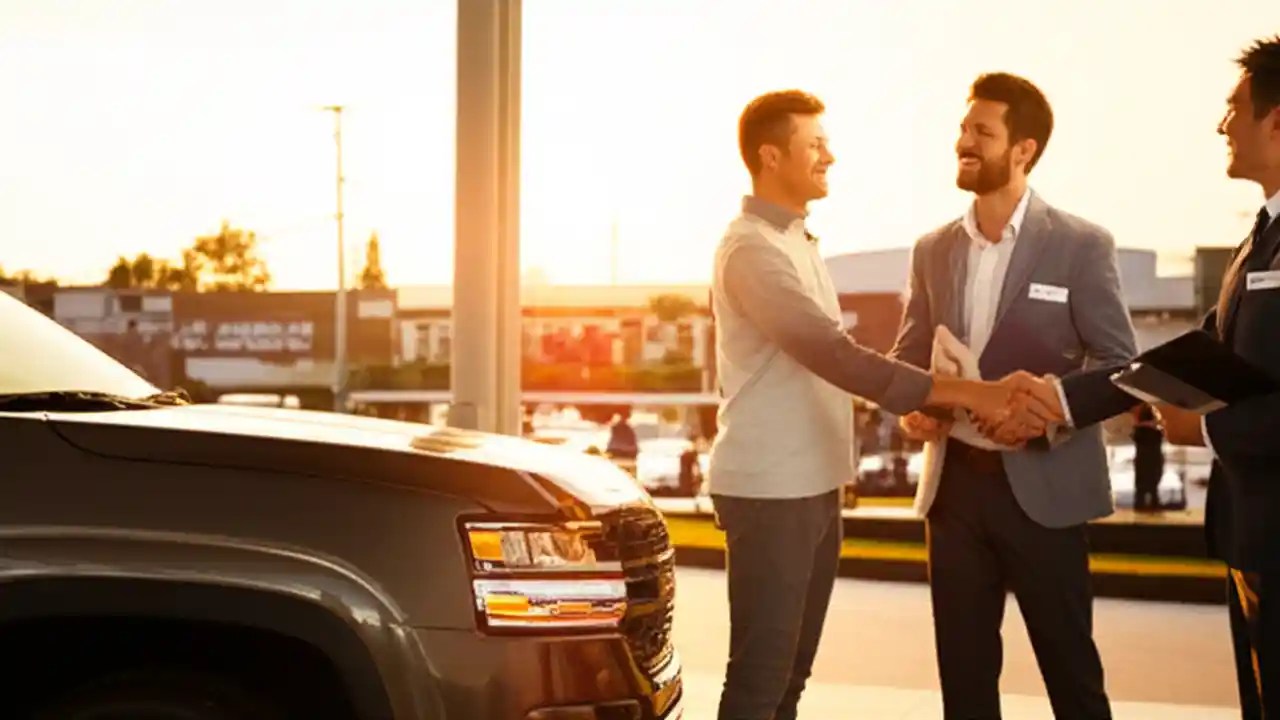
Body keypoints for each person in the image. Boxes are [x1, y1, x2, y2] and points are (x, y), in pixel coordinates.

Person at [707, 88, 1053, 720]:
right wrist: (969, 392)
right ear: (769, 155)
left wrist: (925, 400)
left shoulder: (797, 241)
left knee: (789, 680)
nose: (829, 157)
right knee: (759, 681)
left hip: (814, 483)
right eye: (814, 145)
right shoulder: (750, 250)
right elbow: (832, 354)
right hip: (769, 489)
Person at [891, 72, 1138, 719]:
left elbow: (1120, 365)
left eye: (982, 132)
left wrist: (1048, 408)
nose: (963, 142)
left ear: (1023, 149)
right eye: (963, 129)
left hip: (1047, 493)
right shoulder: (932, 250)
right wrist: (916, 405)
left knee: (1073, 680)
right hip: (956, 497)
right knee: (965, 687)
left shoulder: (1082, 245)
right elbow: (907, 356)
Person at [1156, 35, 1280, 720]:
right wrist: (1060, 398)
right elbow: (1192, 350)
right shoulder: (1254, 242)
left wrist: (1201, 424)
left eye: (1234, 109)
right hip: (1250, 538)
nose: (1222, 125)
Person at [1131, 404, 1164, 512]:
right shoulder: (1157, 432)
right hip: (1154, 461)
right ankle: (1154, 506)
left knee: (1140, 487)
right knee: (1153, 487)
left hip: (1141, 461)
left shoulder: (1138, 431)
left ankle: (1139, 507)